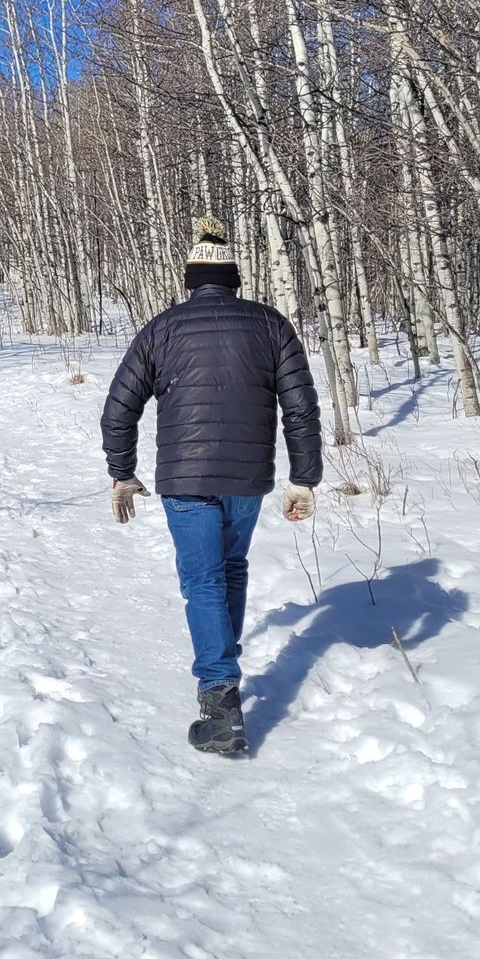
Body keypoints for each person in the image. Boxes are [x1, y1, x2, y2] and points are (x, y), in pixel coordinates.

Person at [100, 217, 323, 755]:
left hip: (185, 477)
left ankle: (219, 698)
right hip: (247, 477)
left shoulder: (163, 328)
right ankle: (224, 676)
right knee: (231, 568)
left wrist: (123, 472)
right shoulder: (271, 325)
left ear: (190, 278)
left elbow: (118, 409)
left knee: (203, 581)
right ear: (235, 280)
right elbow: (301, 408)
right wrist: (302, 478)